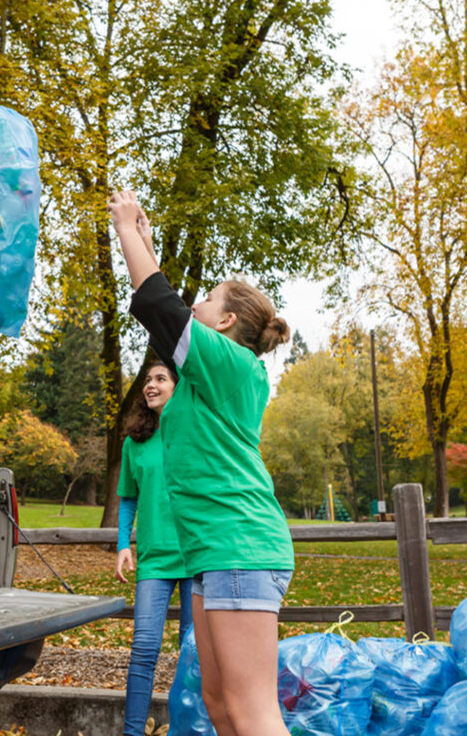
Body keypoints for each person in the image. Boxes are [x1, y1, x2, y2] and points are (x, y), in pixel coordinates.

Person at [107, 190, 294, 736]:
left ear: (227, 320)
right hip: (213, 553)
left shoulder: (230, 362)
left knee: (252, 712)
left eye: (208, 299)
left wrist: (123, 232)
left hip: (241, 545)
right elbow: (164, 306)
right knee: (218, 704)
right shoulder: (205, 373)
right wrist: (143, 236)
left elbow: (159, 306)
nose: (197, 303)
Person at [115, 361, 193, 736]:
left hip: (197, 556)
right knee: (144, 649)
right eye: (148, 379)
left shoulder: (196, 432)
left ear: (178, 387)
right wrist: (122, 545)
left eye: (160, 379)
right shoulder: (134, 442)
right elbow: (128, 498)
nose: (151, 385)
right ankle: (133, 732)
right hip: (153, 558)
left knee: (192, 652)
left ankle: (186, 728)